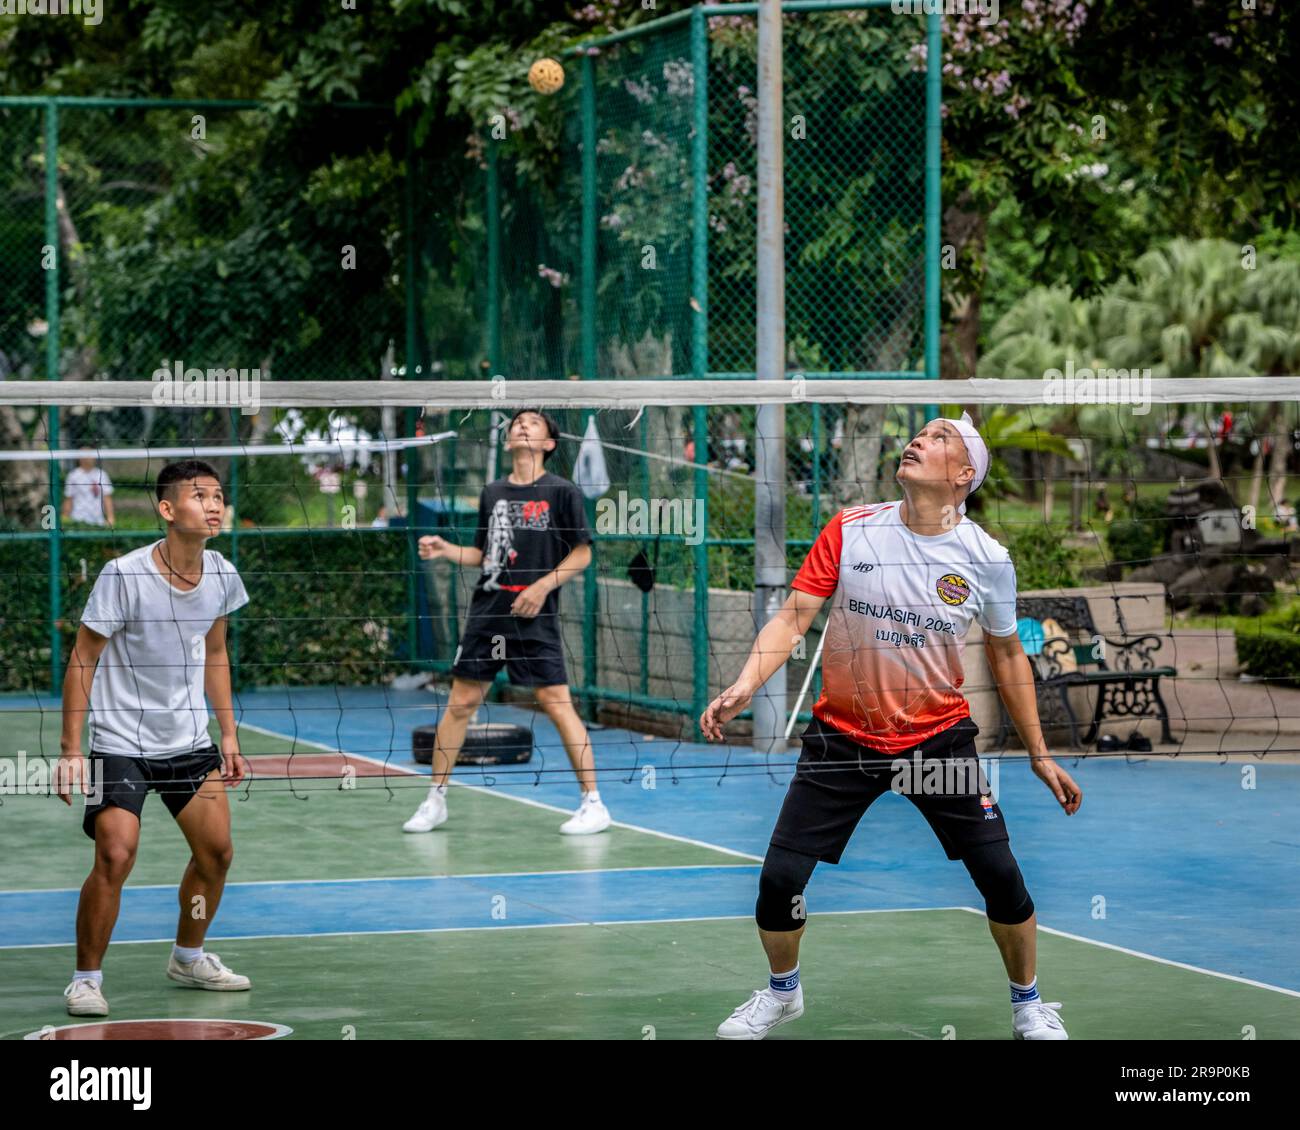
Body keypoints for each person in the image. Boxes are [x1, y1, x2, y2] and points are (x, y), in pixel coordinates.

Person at [702, 413, 1083, 1041]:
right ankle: (782, 992)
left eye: (940, 439)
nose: (919, 440)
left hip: (938, 739)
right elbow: (794, 616)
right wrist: (747, 682)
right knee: (778, 881)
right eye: (921, 432)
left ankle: (1029, 1004)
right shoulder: (852, 530)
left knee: (1001, 875)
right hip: (842, 737)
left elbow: (1008, 654)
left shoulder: (986, 559)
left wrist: (1039, 754)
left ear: (964, 476)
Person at [56, 460, 251, 1017]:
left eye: (219, 495)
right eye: (200, 496)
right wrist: (72, 751)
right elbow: (83, 658)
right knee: (115, 854)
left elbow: (216, 654)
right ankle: (86, 979)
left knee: (216, 854)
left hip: (188, 741)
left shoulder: (220, 574)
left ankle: (188, 957)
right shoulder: (123, 575)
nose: (214, 505)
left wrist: (229, 733)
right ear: (168, 510)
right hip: (120, 741)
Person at [403, 409, 609, 835]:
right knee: (460, 704)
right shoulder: (493, 492)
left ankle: (593, 803)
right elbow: (484, 555)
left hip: (535, 616)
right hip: (489, 613)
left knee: (556, 704)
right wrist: (445, 548)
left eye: (533, 423)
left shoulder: (561, 492)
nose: (521, 425)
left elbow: (583, 554)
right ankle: (435, 799)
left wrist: (540, 588)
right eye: (517, 422)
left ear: (548, 444)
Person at [62, 455, 115, 527]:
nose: (87, 458)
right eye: (85, 455)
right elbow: (69, 499)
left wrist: (110, 517)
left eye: (90, 455)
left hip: (98, 521)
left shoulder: (102, 474)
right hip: (77, 519)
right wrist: (65, 518)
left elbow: (107, 498)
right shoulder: (73, 475)